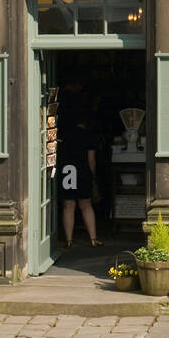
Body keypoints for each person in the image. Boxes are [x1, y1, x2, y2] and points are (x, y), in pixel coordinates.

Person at [57, 79, 103, 247]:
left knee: (68, 206)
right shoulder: (88, 135)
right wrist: (93, 178)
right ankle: (93, 238)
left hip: (66, 170)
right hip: (82, 170)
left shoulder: (64, 133)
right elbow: (91, 159)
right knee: (86, 205)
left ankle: (69, 240)